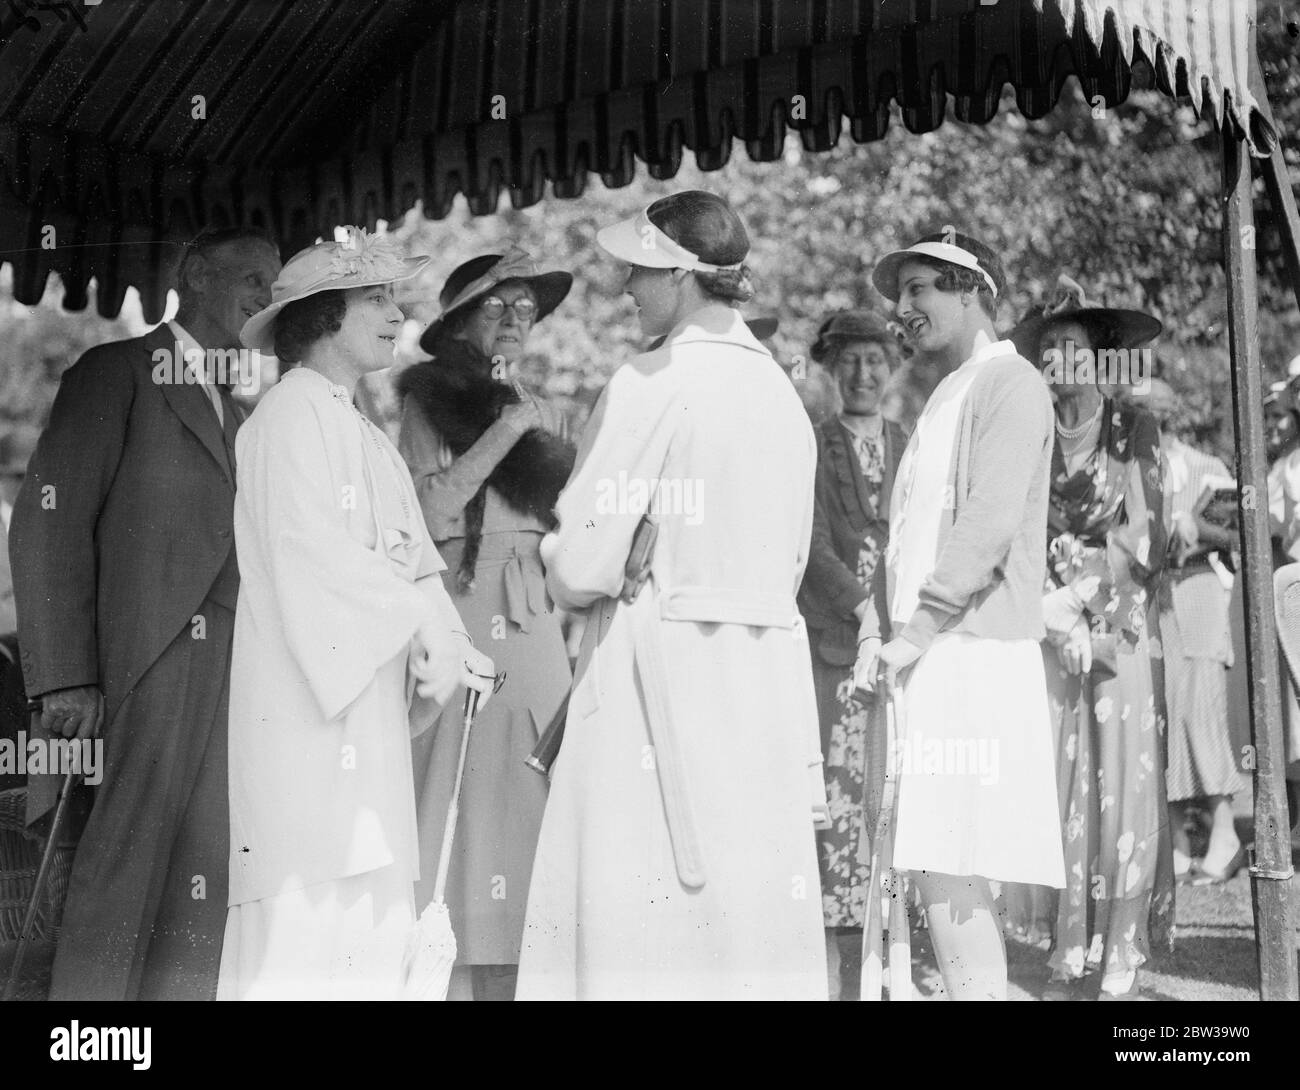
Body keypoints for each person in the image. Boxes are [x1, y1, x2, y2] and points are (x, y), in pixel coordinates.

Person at [516, 190, 828, 1000]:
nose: (627, 289)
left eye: (641, 272)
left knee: (642, 922)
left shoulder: (654, 378)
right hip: (759, 687)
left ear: (684, 276)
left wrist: (577, 557)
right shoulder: (784, 398)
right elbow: (789, 559)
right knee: (742, 919)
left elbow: (581, 561)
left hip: (656, 682)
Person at [217, 228, 496, 1000]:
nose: (395, 310)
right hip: (305, 722)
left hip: (361, 722)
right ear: (321, 316)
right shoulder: (285, 418)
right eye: (374, 297)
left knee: (367, 928)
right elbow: (311, 557)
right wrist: (417, 622)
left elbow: (415, 562)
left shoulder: (361, 429)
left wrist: (449, 632)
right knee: (307, 929)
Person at [8, 226, 281, 1000]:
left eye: (274, 285)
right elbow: (47, 521)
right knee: (119, 878)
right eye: (253, 279)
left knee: (202, 873)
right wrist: (64, 680)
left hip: (228, 672)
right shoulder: (115, 371)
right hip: (136, 670)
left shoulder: (241, 406)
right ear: (195, 274)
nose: (267, 298)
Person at [861, 231, 1066, 1001]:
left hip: (972, 649)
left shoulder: (1010, 382)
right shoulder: (947, 391)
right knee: (936, 857)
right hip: (935, 651)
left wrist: (916, 632)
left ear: (972, 289)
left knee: (948, 855)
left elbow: (989, 523)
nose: (903, 310)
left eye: (919, 289)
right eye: (900, 295)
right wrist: (889, 635)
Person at [389, 249, 576, 1001]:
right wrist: (505, 432)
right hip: (462, 607)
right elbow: (428, 514)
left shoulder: (538, 404)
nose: (514, 319)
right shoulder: (428, 399)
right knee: (460, 805)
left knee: (533, 800)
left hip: (534, 622)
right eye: (497, 306)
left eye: (525, 307)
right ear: (459, 320)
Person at [1005, 277, 1171, 1000]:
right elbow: (1014, 533)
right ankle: (1069, 938)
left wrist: (1083, 599)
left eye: (1074, 350)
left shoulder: (1132, 429)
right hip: (1050, 632)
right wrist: (1050, 610)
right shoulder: (1028, 432)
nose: (1060, 363)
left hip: (1120, 628)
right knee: (1060, 780)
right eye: (1049, 351)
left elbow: (1149, 533)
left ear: (1099, 360)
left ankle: (1122, 943)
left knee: (1122, 785)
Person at [796, 309, 906, 999]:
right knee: (838, 793)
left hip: (902, 644)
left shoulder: (911, 444)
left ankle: (892, 951)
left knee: (894, 782)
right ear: (832, 369)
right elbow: (810, 545)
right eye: (851, 362)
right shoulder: (811, 445)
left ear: (892, 368)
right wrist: (862, 607)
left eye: (875, 360)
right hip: (836, 643)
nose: (863, 374)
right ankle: (838, 957)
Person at [1144, 379, 1244, 883]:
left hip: (1201, 591)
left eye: (1156, 412)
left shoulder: (1210, 469)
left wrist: (1198, 528)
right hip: (1155, 595)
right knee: (1166, 711)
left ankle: (1224, 834)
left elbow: (1241, 535)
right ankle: (1180, 839)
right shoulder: (1130, 471)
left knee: (1201, 709)